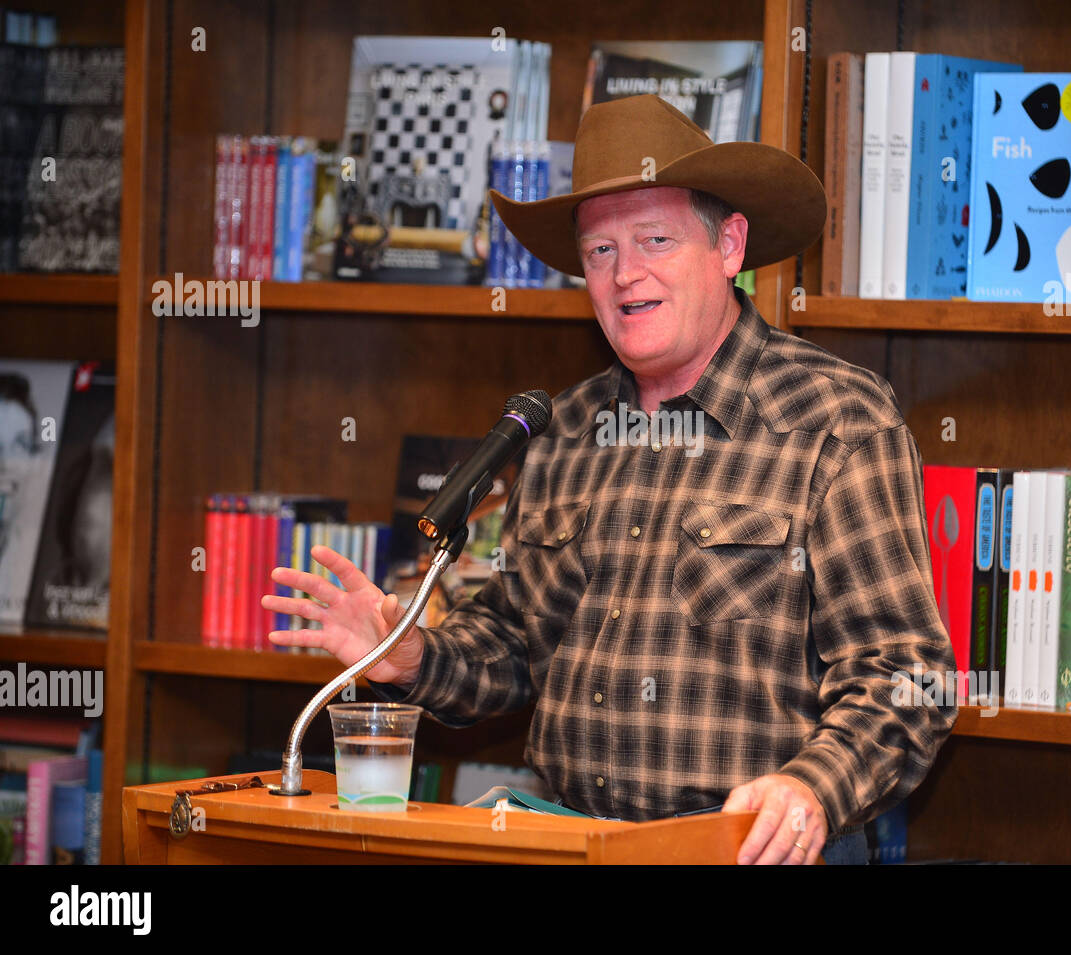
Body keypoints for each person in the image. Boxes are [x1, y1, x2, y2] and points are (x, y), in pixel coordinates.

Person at [265, 94, 957, 865]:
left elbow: (907, 674)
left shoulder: (837, 419)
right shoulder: (560, 427)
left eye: (655, 240)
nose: (626, 275)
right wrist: (410, 655)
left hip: (748, 854)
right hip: (566, 845)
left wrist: (813, 789)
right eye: (600, 252)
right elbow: (515, 642)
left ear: (729, 246)